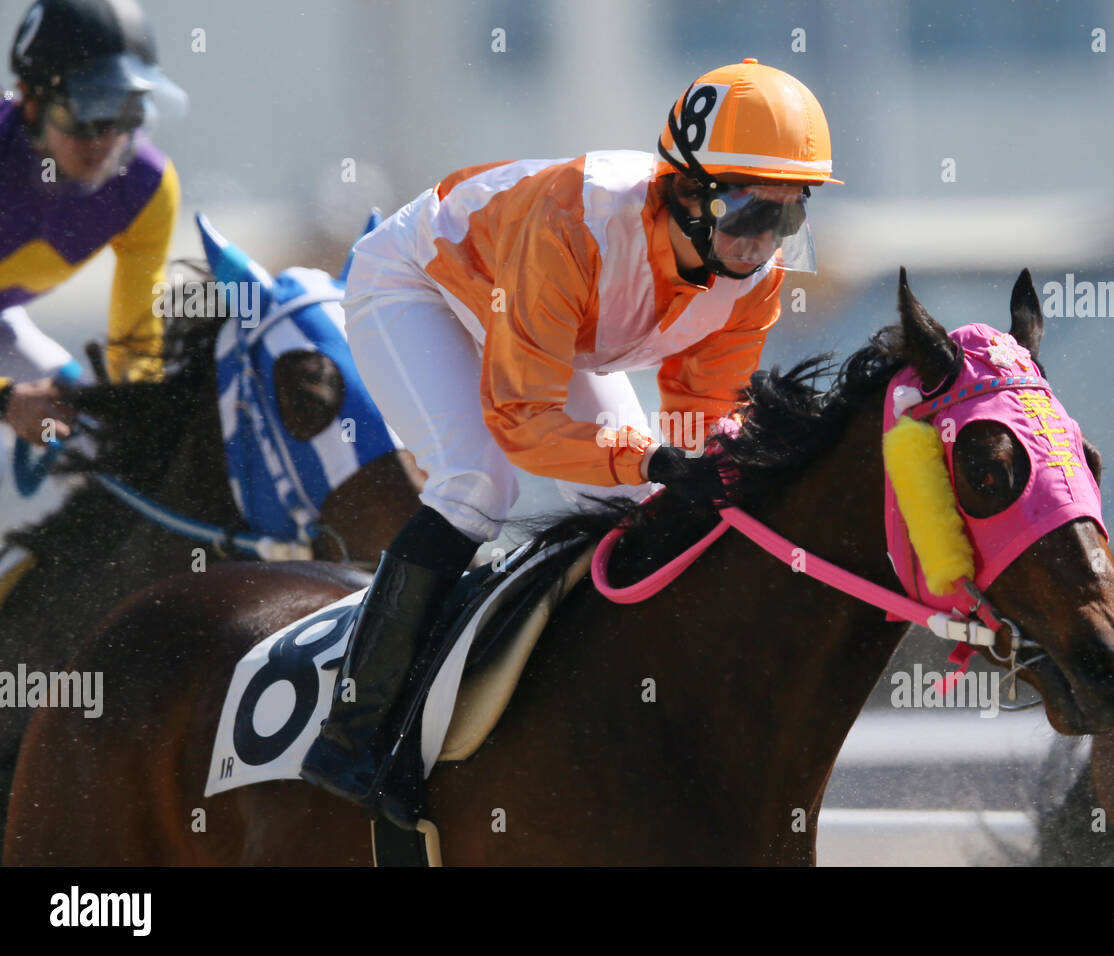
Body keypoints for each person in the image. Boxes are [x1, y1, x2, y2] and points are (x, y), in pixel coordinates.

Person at [301, 59, 838, 826]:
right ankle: (357, 731)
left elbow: (703, 417)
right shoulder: (570, 222)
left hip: (559, 325)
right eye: (752, 212)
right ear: (688, 190)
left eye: (789, 216)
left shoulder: (751, 277)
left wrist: (696, 470)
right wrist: (648, 453)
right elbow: (523, 422)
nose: (765, 243)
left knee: (646, 501)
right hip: (418, 288)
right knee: (477, 484)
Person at [0, 0, 184, 446]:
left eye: (127, 111)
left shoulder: (148, 189)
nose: (106, 139)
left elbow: (135, 351)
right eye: (87, 111)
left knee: (86, 417)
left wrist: (137, 421)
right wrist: (6, 401)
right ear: (30, 102)